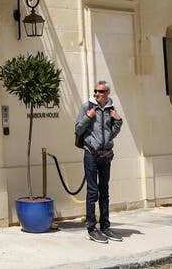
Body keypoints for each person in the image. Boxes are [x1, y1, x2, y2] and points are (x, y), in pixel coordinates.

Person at [74, 80, 123, 243]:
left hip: (106, 154)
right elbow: (78, 129)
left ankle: (105, 227)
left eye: (100, 91)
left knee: (104, 191)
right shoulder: (86, 107)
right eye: (95, 91)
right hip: (91, 153)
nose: (96, 94)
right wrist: (88, 117)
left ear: (107, 93)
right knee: (92, 191)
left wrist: (118, 121)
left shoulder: (111, 109)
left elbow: (111, 133)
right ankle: (91, 228)